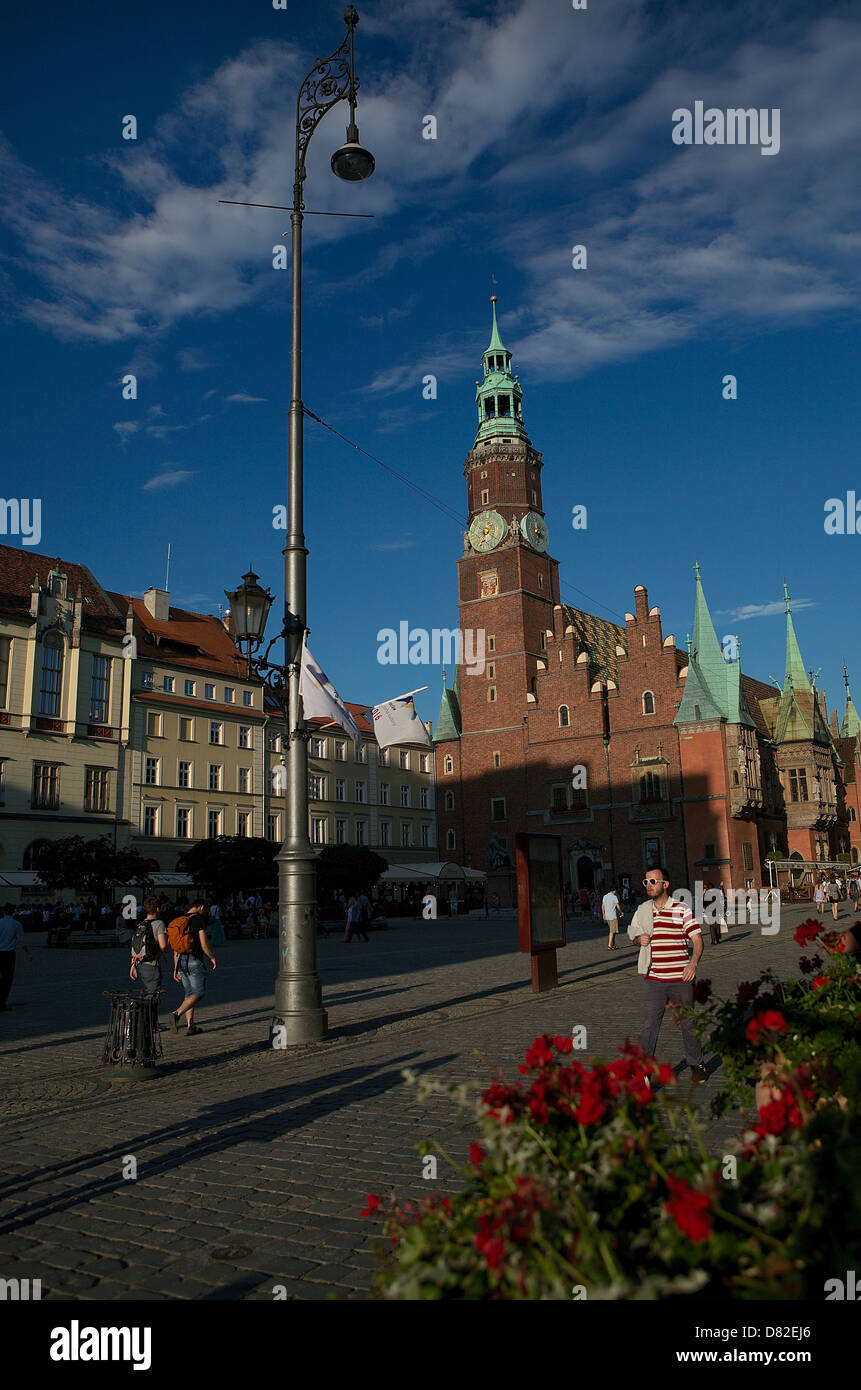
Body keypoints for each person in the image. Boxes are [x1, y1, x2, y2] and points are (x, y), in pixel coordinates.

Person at [631, 866, 706, 1081]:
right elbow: (634, 936)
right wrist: (638, 940)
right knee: (649, 1026)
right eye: (646, 882)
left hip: (680, 978)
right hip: (654, 979)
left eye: (653, 881)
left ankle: (695, 1061)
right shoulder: (644, 911)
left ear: (666, 884)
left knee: (688, 1024)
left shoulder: (681, 909)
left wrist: (693, 964)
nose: (649, 886)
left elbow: (697, 940)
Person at [168, 901, 216, 1035]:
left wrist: (175, 968)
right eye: (206, 910)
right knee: (198, 992)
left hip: (181, 960)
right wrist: (211, 956)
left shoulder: (180, 920)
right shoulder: (198, 919)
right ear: (201, 907)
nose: (206, 913)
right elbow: (204, 942)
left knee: (189, 993)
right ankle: (176, 1014)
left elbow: (175, 947)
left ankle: (191, 1025)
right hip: (194, 960)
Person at [129, 898, 167, 997]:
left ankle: (141, 1010)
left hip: (140, 963)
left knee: (149, 991)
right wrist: (169, 946)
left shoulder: (141, 925)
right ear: (157, 909)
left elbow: (136, 945)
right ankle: (137, 1011)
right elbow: (163, 946)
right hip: (152, 964)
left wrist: (133, 964)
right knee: (153, 994)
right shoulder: (159, 923)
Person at [0, 903, 32, 1011]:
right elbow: (21, 941)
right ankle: (1, 1002)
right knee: (7, 979)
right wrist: (28, 953)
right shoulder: (16, 924)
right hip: (8, 953)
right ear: (13, 912)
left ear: (4, 911)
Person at [601, 884, 622, 951]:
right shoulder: (614, 897)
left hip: (607, 916)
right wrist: (621, 912)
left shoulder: (605, 896)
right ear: (614, 890)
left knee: (613, 931)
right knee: (612, 931)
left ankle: (613, 944)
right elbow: (618, 906)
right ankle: (609, 945)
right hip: (613, 916)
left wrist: (603, 914)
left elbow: (602, 906)